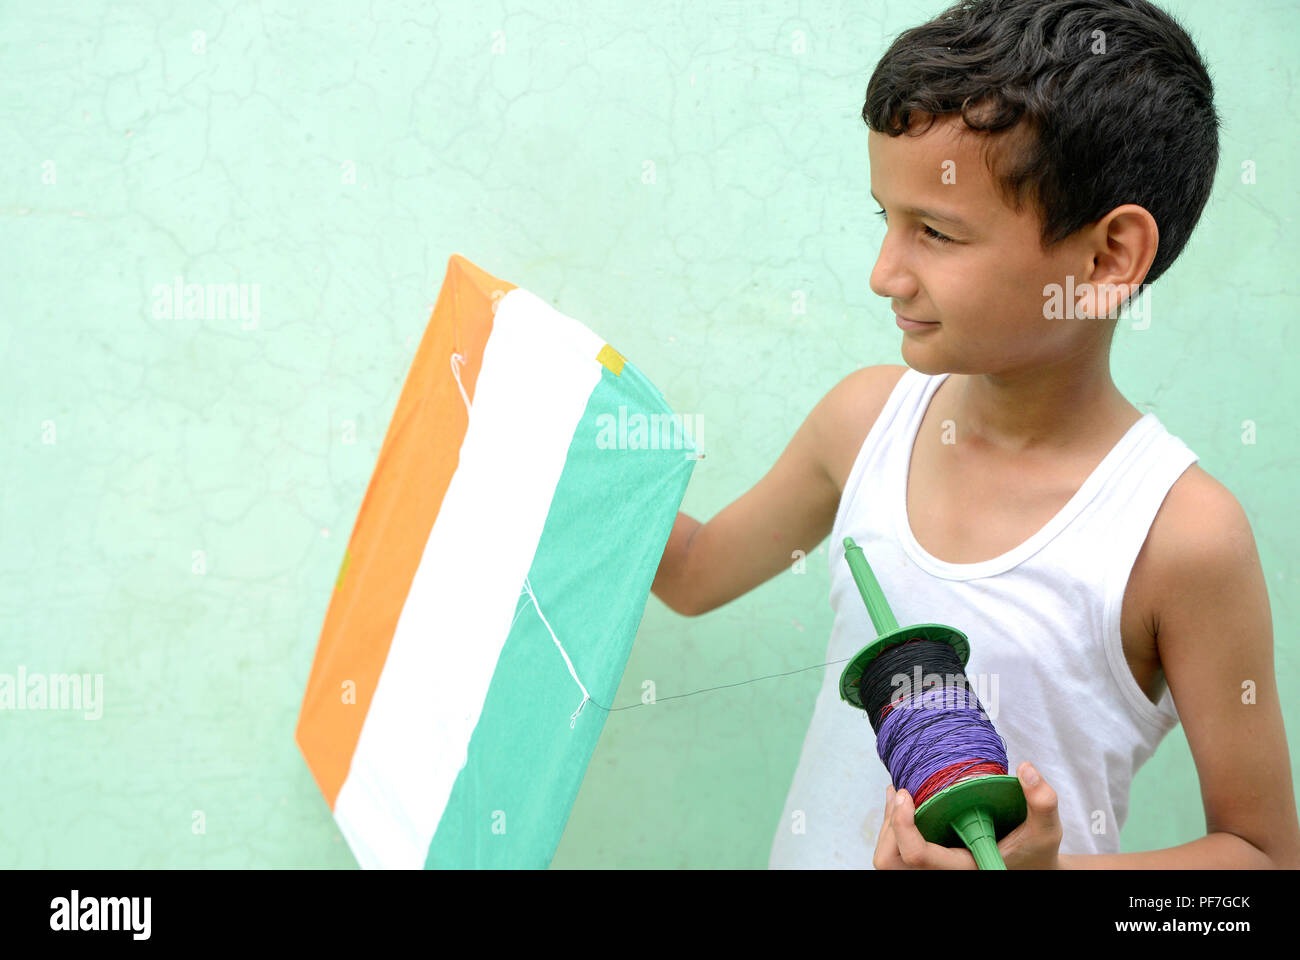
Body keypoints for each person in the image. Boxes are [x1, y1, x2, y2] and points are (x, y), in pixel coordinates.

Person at [651, 0, 1300, 868]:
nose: (885, 273)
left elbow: (1259, 862)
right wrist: (551, 449)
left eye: (935, 232)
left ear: (1107, 259)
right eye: (884, 218)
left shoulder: (1180, 537)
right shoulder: (863, 422)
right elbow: (692, 575)